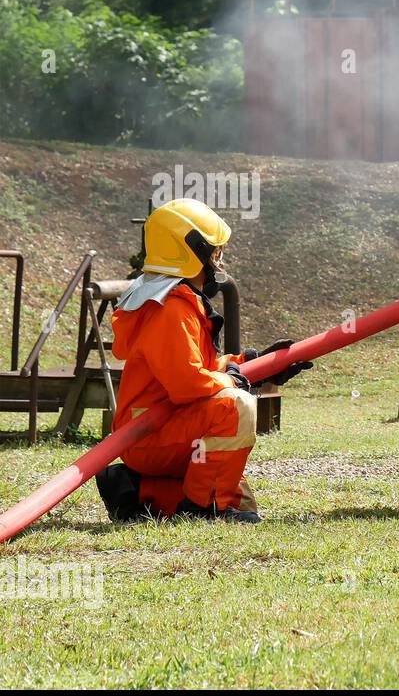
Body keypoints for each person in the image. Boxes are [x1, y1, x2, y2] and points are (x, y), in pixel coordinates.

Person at [95, 198, 311, 524]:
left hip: (163, 429)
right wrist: (235, 381)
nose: (219, 261)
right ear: (191, 252)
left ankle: (136, 491)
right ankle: (201, 511)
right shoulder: (170, 309)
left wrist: (257, 363)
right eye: (215, 252)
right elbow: (188, 385)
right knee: (235, 407)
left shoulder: (178, 302)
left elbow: (200, 368)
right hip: (150, 435)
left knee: (240, 503)